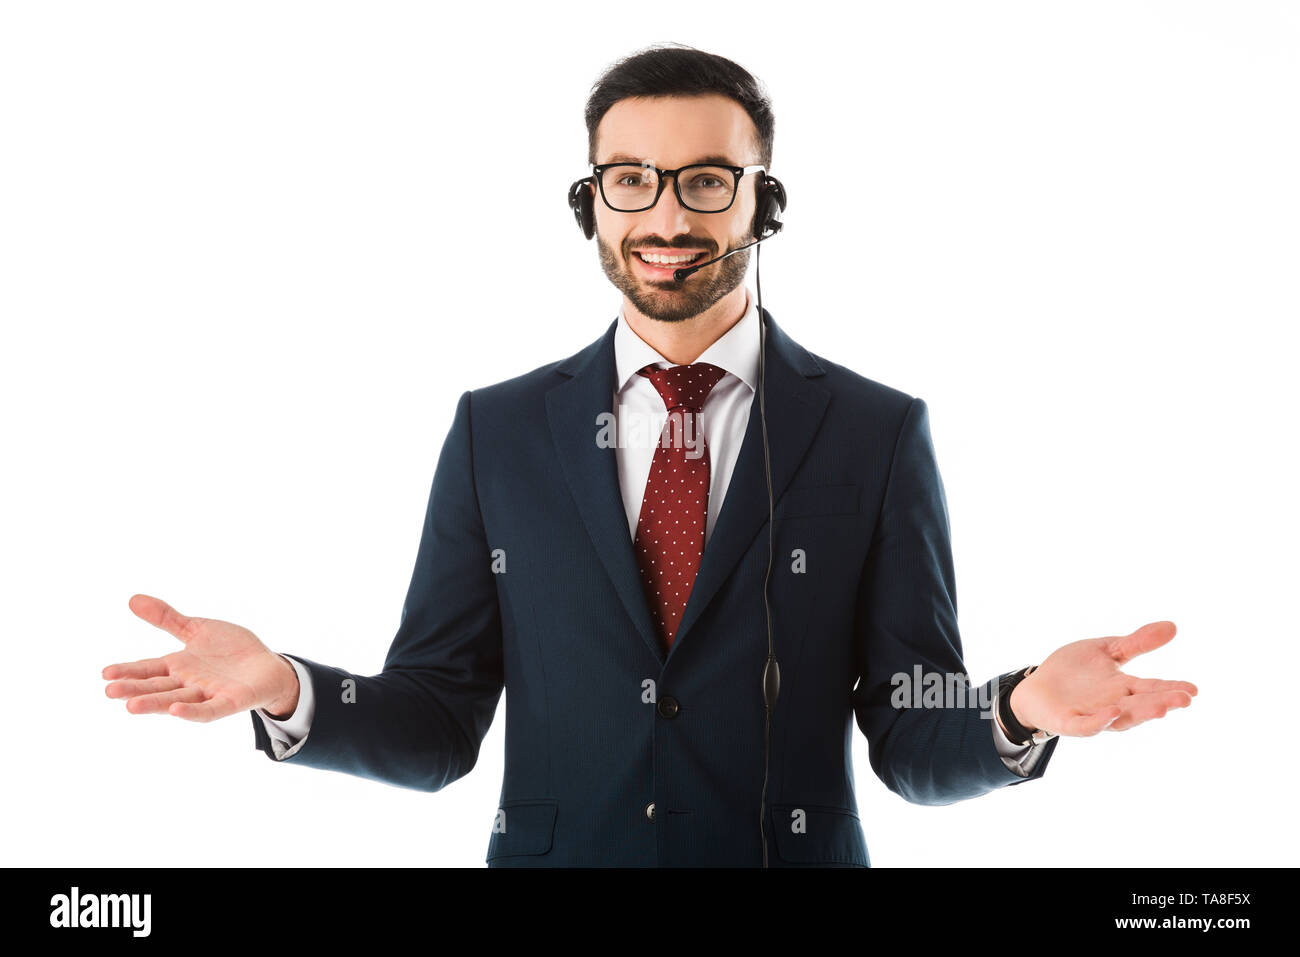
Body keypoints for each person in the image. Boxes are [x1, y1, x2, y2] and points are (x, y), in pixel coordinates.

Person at [103, 43, 1197, 867]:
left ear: (764, 204)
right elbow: (436, 721)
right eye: (630, 179)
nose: (665, 217)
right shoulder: (496, 431)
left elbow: (912, 732)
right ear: (589, 203)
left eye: (706, 180)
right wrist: (286, 687)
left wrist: (1016, 710)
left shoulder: (875, 430)